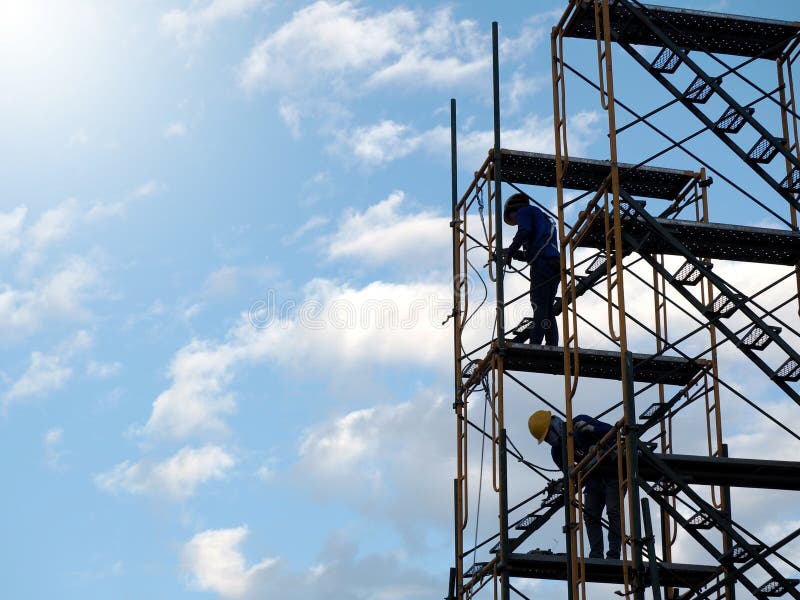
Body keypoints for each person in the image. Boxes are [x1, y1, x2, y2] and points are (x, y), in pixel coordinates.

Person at [528, 409, 622, 560]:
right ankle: (596, 555)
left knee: (613, 511)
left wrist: (593, 429)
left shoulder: (580, 423)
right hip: (594, 480)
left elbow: (614, 432)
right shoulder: (557, 452)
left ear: (556, 424)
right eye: (545, 439)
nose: (549, 441)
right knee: (590, 515)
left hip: (613, 472)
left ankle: (614, 554)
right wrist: (562, 483)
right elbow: (572, 477)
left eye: (548, 436)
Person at [502, 193, 560, 346]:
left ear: (513, 210)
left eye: (513, 218)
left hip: (542, 265)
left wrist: (511, 251)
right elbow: (531, 255)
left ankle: (535, 342)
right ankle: (552, 343)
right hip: (554, 263)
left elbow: (524, 231)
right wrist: (511, 253)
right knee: (547, 307)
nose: (516, 221)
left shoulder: (524, 212)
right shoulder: (542, 218)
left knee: (538, 304)